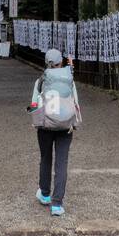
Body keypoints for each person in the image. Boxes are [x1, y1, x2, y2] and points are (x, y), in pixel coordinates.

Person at [30, 48, 80, 216]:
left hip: (45, 126)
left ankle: (44, 194)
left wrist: (36, 121)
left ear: (46, 63)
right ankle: (57, 204)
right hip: (65, 126)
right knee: (61, 162)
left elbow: (34, 105)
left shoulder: (41, 81)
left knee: (45, 158)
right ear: (62, 62)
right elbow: (75, 103)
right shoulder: (69, 80)